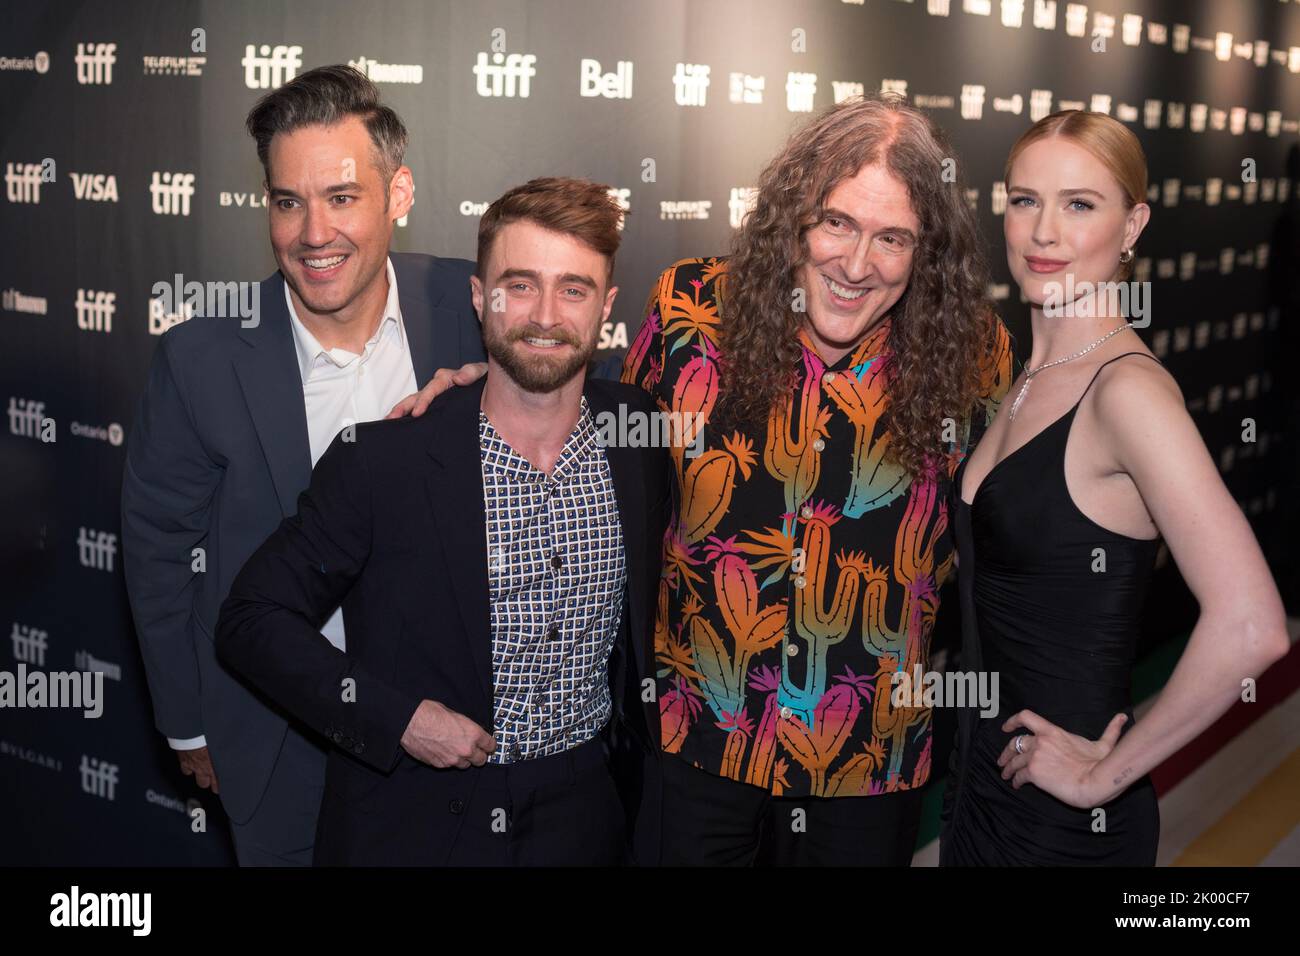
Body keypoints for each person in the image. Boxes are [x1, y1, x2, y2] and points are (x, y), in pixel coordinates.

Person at [216, 177, 670, 866]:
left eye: (573, 289)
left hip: (585, 813)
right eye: (519, 285)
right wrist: (398, 719)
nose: (545, 315)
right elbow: (252, 619)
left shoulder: (638, 435)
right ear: (480, 298)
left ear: (605, 306)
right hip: (419, 820)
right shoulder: (385, 461)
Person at [120, 64, 486, 865]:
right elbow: (157, 553)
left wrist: (498, 378)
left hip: (450, 732)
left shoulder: (474, 309)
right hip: (275, 735)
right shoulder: (200, 358)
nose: (313, 233)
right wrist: (187, 723)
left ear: (399, 194)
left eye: (343, 197)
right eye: (288, 201)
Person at [940, 110, 1291, 866]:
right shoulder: (1022, 381)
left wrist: (1105, 774)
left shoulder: (1125, 392)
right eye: (1025, 199)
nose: (1042, 232)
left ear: (1132, 226)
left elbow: (1252, 624)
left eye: (1079, 204)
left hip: (1060, 825)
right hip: (981, 790)